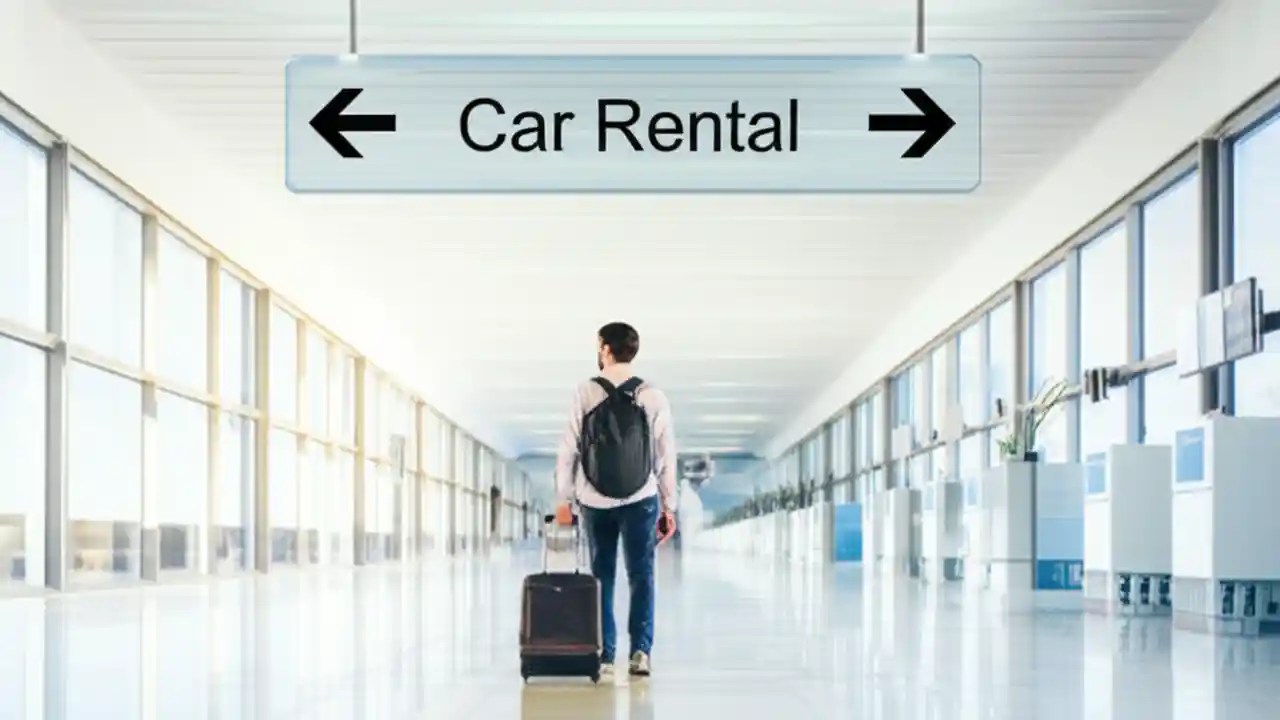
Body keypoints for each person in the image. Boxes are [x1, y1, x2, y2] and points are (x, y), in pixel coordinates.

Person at [555, 322, 677, 678]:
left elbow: (568, 449)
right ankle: (641, 653)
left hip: (594, 499)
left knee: (601, 576)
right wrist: (669, 507)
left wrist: (564, 499)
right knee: (642, 575)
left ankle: (606, 657)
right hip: (642, 498)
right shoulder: (653, 395)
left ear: (605, 349)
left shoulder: (585, 392)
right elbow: (665, 455)